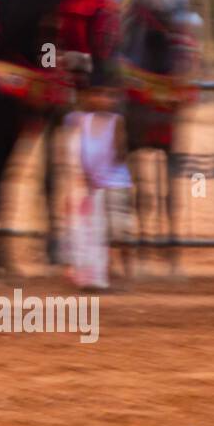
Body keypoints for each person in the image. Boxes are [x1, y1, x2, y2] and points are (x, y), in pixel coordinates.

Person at [62, 84, 133, 290]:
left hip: (116, 182)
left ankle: (128, 272)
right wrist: (87, 175)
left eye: (108, 95)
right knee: (98, 232)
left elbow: (120, 152)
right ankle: (102, 271)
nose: (103, 99)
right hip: (92, 184)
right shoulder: (82, 121)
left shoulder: (117, 121)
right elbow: (81, 152)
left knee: (119, 231)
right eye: (98, 94)